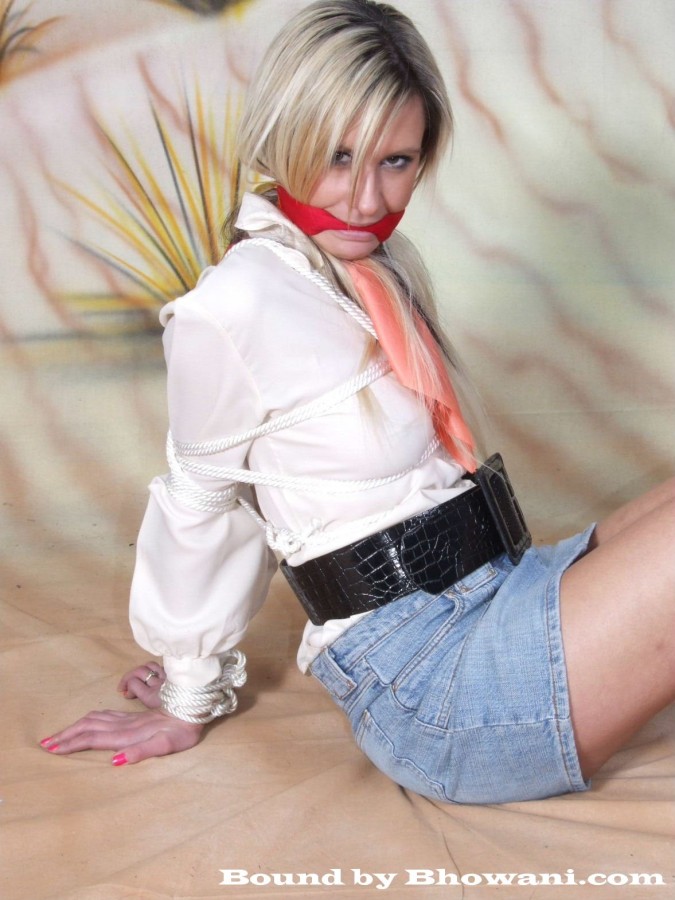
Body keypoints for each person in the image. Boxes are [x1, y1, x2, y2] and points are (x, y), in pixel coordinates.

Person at [40, 0, 674, 805]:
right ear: (285, 137)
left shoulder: (373, 265)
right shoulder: (232, 308)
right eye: (337, 157)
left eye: (396, 161)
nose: (364, 200)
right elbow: (202, 500)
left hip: (503, 585)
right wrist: (187, 688)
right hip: (432, 686)